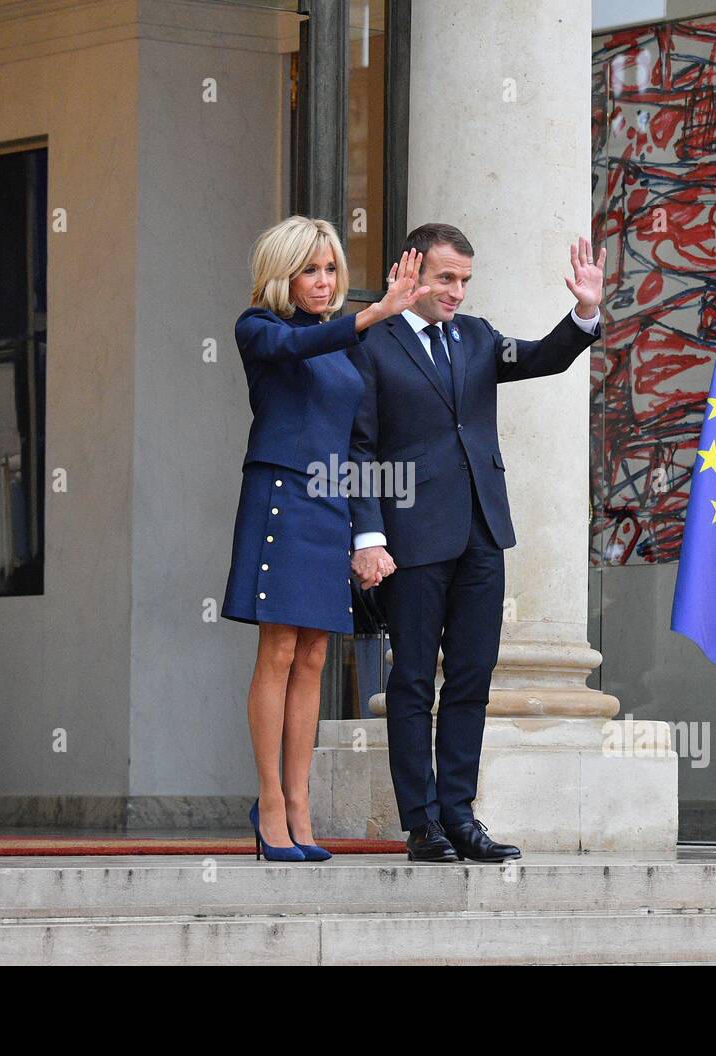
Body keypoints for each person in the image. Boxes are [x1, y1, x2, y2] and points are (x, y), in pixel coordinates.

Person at [348, 223, 605, 863]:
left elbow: (543, 356)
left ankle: (461, 815)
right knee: (412, 681)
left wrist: (584, 312)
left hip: (481, 533)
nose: (457, 292)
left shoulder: (477, 336)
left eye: (464, 280)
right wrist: (369, 535)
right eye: (445, 278)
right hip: (408, 539)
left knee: (470, 677)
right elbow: (357, 449)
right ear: (409, 271)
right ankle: (422, 822)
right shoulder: (371, 345)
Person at [222, 216, 427, 862]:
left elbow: (358, 441)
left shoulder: (346, 346)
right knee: (279, 649)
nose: (323, 280)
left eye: (332, 269)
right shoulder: (260, 328)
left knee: (313, 656)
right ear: (283, 274)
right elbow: (293, 353)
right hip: (280, 497)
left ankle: (300, 800)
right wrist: (376, 313)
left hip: (329, 500)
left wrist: (367, 532)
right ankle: (271, 803)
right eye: (311, 268)